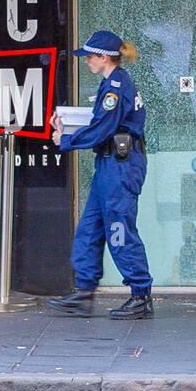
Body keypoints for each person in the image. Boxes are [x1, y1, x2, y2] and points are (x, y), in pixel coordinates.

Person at [47, 30, 154, 319]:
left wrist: (66, 140)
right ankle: (84, 292)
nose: (87, 62)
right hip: (110, 165)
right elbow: (99, 123)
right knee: (90, 229)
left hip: (121, 166)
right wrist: (68, 124)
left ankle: (140, 294)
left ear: (104, 57)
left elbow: (102, 129)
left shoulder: (116, 87)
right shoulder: (111, 83)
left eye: (90, 57)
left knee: (119, 230)